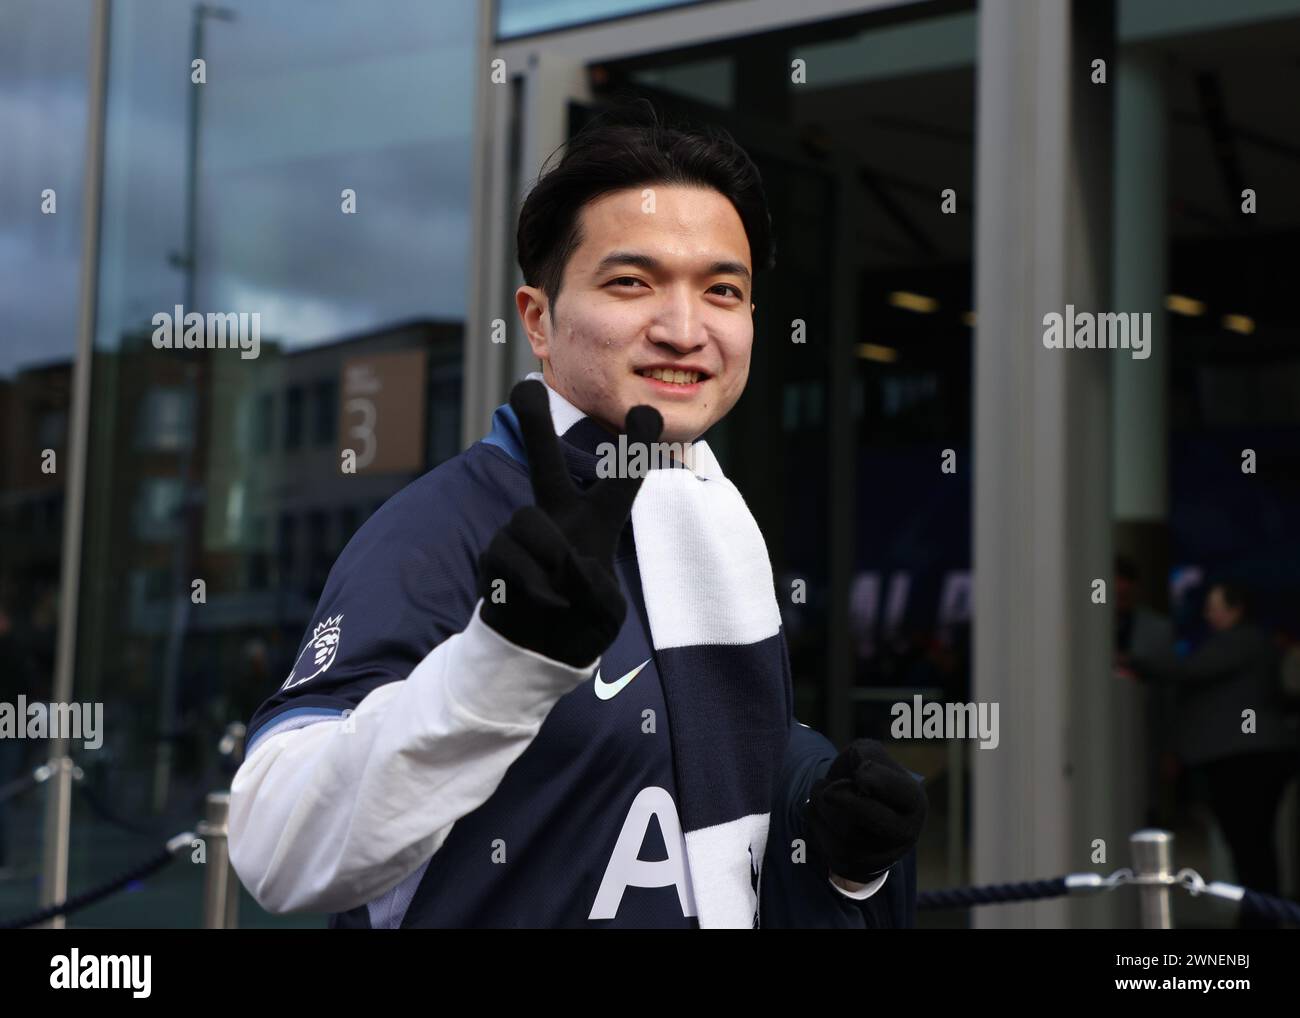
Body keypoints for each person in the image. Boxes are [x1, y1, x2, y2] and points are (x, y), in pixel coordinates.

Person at [228, 103, 926, 928]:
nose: (683, 328)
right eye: (631, 282)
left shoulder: (712, 516)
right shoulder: (440, 528)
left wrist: (831, 827)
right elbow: (274, 846)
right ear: (538, 321)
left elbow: (699, 765)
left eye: (723, 290)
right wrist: (501, 662)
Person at [1129, 582, 1298, 927]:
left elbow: (1187, 670)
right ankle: (1260, 913)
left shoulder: (1241, 640)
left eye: (1214, 607)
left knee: (1249, 842)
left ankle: (1260, 916)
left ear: (1236, 610)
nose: (1208, 614)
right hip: (1249, 756)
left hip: (1245, 759)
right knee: (1252, 843)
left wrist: (1133, 660)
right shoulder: (1252, 642)